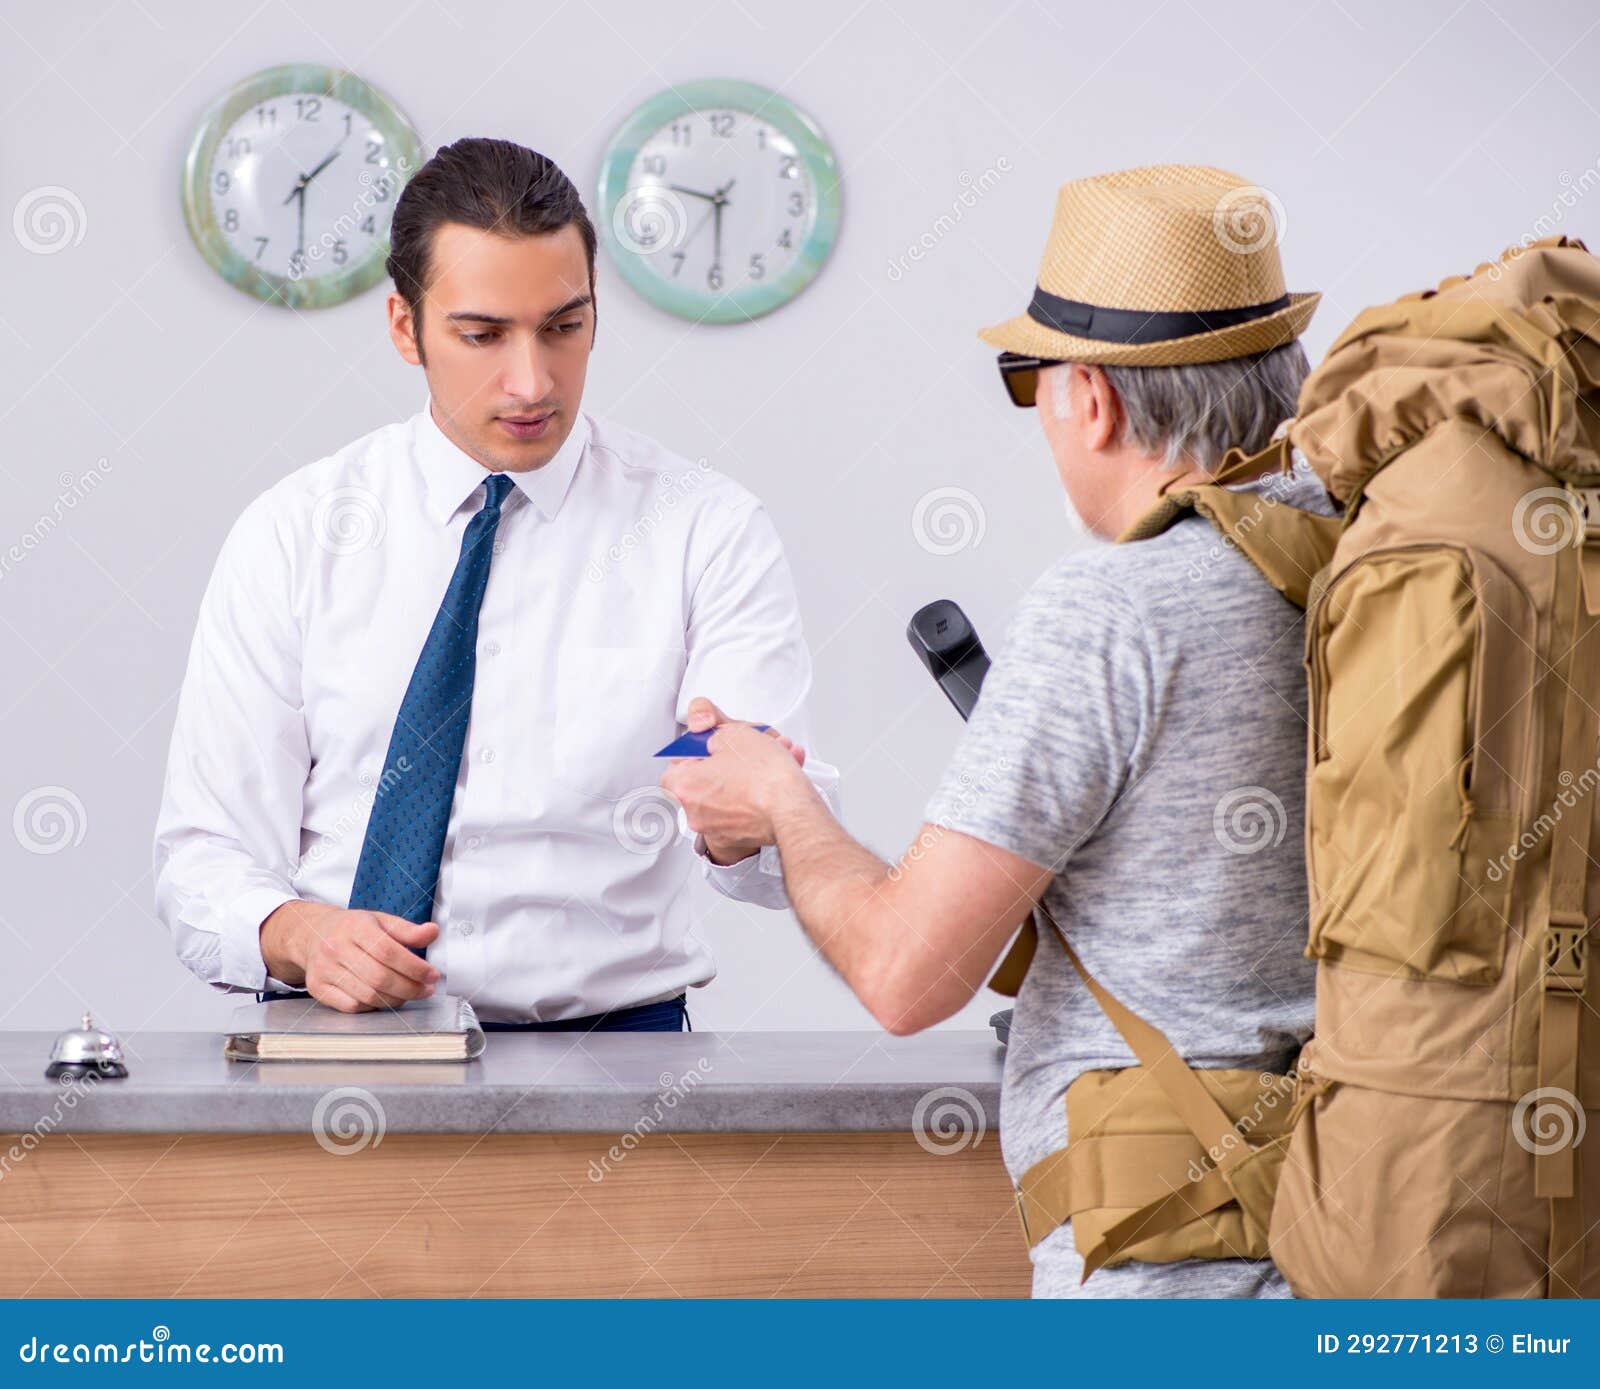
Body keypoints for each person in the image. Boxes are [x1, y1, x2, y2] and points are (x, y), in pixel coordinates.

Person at [662, 165, 1328, 1292]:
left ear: (1091, 399)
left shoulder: (1112, 609)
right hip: (1387, 1236)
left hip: (1178, 1276)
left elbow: (905, 974)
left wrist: (781, 802)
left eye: (1032, 382)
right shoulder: (1369, 563)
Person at [154, 137, 835, 1031]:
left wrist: (753, 823)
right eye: (482, 335)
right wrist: (298, 931)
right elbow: (205, 856)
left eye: (564, 327)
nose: (532, 382)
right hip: (341, 1043)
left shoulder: (705, 529)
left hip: (620, 1057)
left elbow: (778, 855)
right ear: (405, 327)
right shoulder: (294, 534)